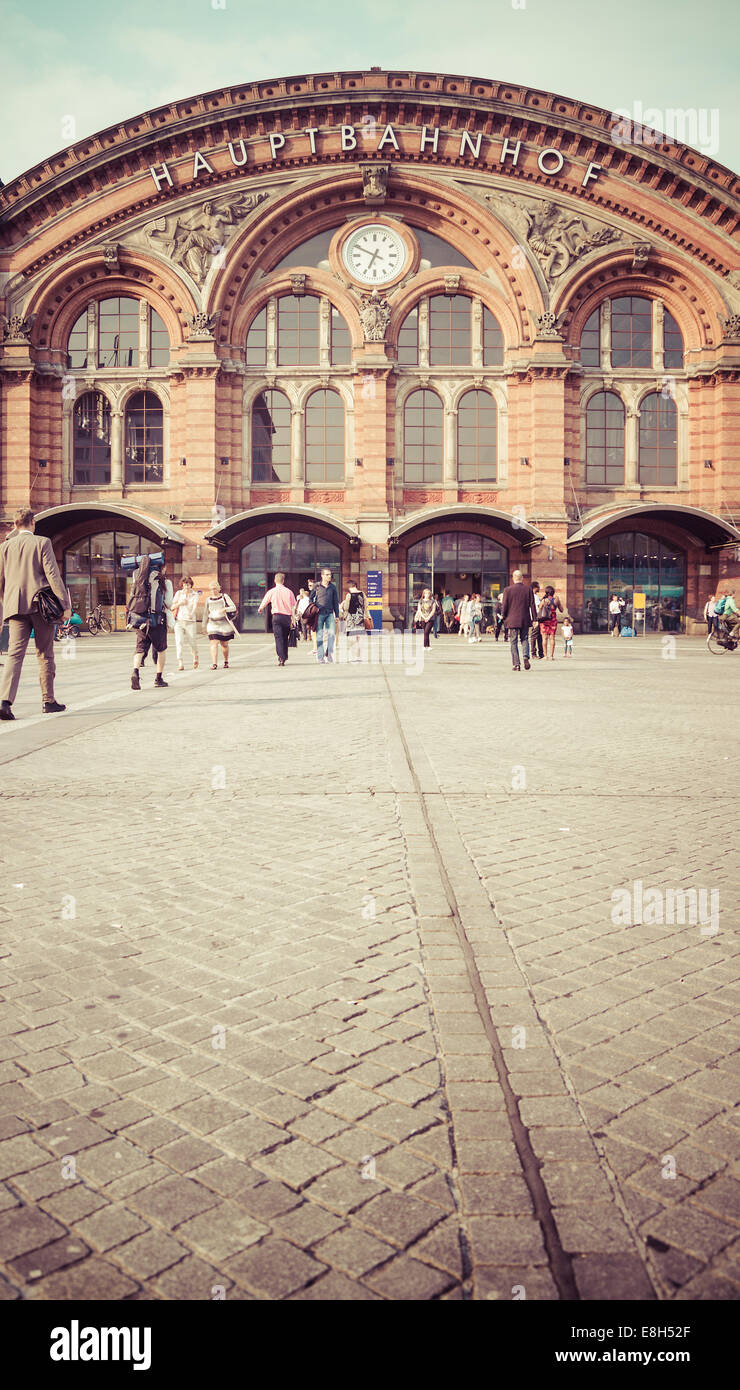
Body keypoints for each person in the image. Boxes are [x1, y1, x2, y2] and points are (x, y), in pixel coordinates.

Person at [0, 505, 70, 719]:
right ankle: (48, 701)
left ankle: (5, 702)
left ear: (14, 525)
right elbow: (53, 575)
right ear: (33, 523)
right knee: (44, 654)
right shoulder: (42, 542)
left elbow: (0, 581)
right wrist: (65, 605)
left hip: (14, 607)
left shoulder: (5, 547)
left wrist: (7, 601)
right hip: (40, 606)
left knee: (14, 654)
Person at [129, 555, 174, 690]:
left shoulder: (137, 578)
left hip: (140, 619)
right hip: (157, 620)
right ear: (162, 567)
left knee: (140, 649)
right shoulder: (164, 581)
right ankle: (158, 678)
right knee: (161, 649)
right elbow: (168, 603)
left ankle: (135, 672)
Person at [500, 570, 537, 672]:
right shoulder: (528, 589)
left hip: (512, 620)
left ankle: (516, 664)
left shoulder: (507, 590)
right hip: (524, 619)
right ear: (522, 578)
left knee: (513, 641)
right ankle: (526, 657)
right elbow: (532, 605)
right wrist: (535, 619)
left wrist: (503, 616)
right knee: (525, 639)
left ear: (513, 578)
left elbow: (505, 605)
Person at [258, 571, 297, 666]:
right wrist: (293, 619)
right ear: (283, 581)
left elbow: (265, 601)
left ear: (275, 580)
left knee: (278, 638)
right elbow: (293, 607)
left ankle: (281, 657)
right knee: (284, 637)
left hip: (276, 617)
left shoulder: (271, 591)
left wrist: (261, 608)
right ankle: (284, 656)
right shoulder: (289, 592)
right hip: (287, 617)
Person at [203, 580, 237, 668]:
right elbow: (205, 613)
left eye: (214, 589)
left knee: (224, 644)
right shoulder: (208, 599)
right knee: (213, 643)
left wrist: (225, 609)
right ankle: (214, 663)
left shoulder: (224, 596)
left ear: (218, 588)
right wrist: (203, 625)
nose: (213, 591)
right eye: (211, 589)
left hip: (224, 623)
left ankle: (226, 661)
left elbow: (233, 607)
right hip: (212, 623)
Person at [310, 567, 339, 664]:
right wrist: (314, 608)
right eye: (327, 574)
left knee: (332, 635)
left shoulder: (333, 587)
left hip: (330, 614)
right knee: (319, 636)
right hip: (319, 614)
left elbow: (335, 602)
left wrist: (337, 615)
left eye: (330, 574)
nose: (329, 576)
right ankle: (320, 657)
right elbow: (311, 599)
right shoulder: (316, 586)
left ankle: (329, 654)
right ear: (322, 575)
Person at [171, 575, 199, 670]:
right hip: (179, 621)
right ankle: (180, 662)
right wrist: (180, 603)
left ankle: (195, 655)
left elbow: (195, 606)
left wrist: (192, 613)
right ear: (182, 585)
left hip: (190, 622)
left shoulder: (195, 595)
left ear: (191, 585)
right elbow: (172, 607)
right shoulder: (179, 594)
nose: (186, 586)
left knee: (192, 642)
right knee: (179, 641)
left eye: (188, 584)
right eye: (185, 584)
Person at [340, 579, 369, 662]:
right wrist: (365, 615)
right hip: (360, 618)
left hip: (351, 620)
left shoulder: (349, 595)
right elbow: (366, 605)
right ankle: (358, 657)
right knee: (360, 639)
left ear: (349, 587)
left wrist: (343, 605)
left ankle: (352, 657)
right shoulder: (362, 594)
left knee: (352, 639)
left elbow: (346, 607)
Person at [538, 585, 563, 660]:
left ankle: (545, 656)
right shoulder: (556, 600)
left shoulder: (544, 600)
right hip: (553, 620)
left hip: (544, 620)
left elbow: (539, 610)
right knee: (552, 638)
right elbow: (561, 610)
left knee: (544, 638)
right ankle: (551, 656)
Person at [530, 581, 544, 660]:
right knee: (535, 635)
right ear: (535, 588)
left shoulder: (534, 596)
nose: (539, 588)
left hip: (535, 617)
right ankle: (534, 653)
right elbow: (539, 606)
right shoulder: (534, 596)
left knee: (539, 635)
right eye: (538, 587)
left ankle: (540, 653)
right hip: (536, 618)